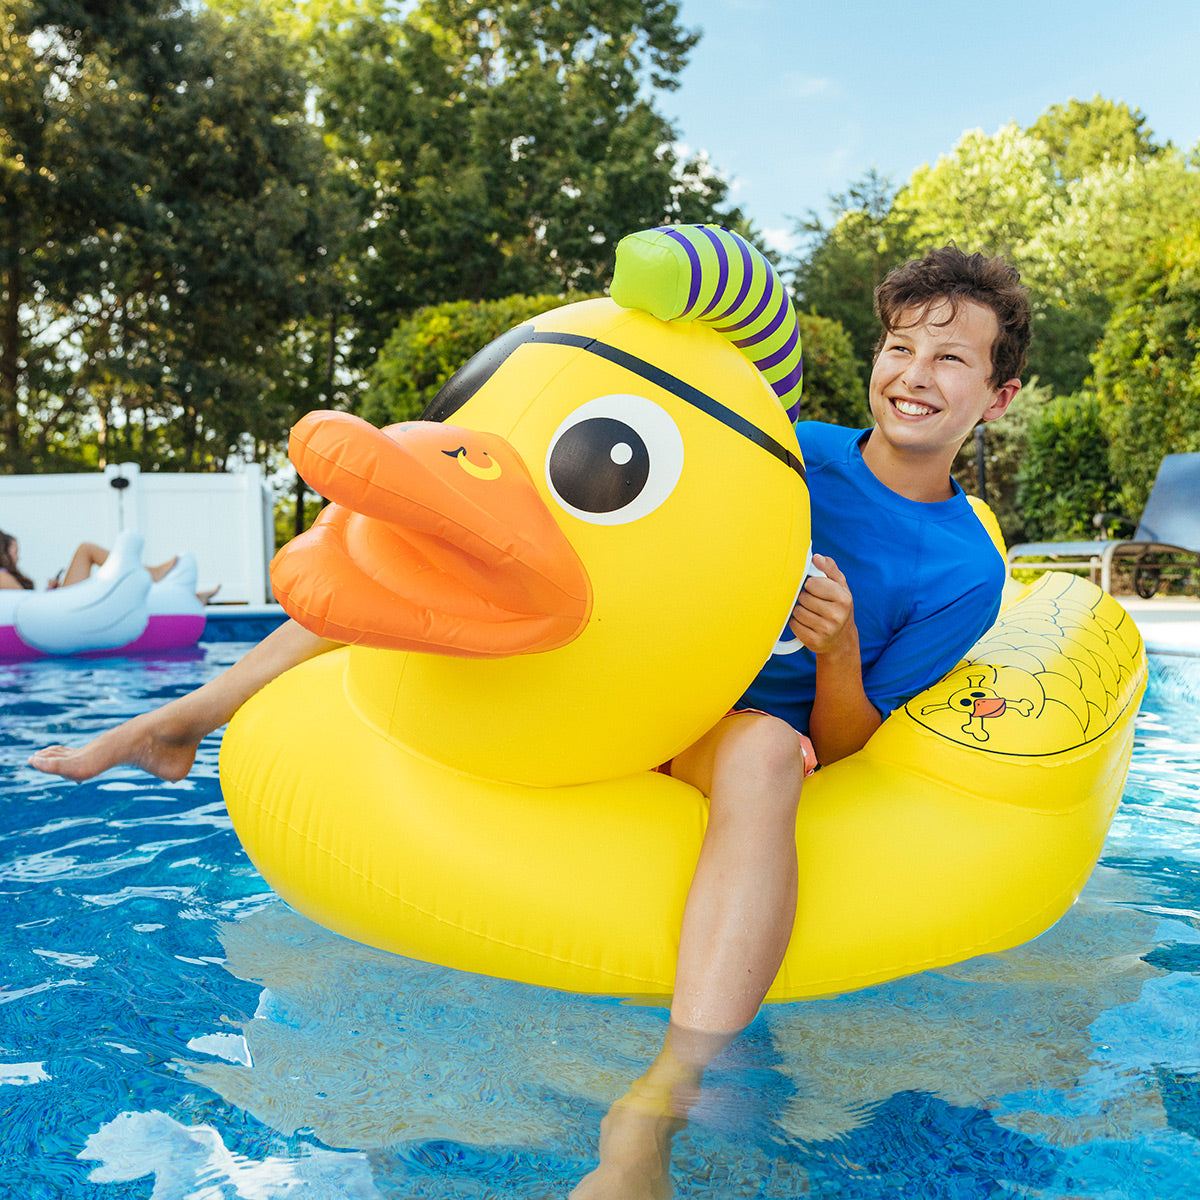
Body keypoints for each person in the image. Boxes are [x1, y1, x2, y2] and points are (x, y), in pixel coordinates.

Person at [28, 245, 1030, 1199]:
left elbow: (851, 748)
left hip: (718, 727)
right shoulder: (781, 449)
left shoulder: (963, 571)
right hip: (610, 673)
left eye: (951, 358)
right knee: (438, 572)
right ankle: (189, 715)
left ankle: (655, 1109)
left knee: (770, 750)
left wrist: (839, 646)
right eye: (902, 346)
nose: (915, 373)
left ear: (999, 395)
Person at [0, 533, 178, 591]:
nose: (18, 558)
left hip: (53, 605)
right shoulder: (2, 576)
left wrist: (49, 590)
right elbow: (26, 609)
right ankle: (151, 573)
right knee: (86, 550)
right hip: (56, 611)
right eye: (15, 552)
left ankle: (151, 575)